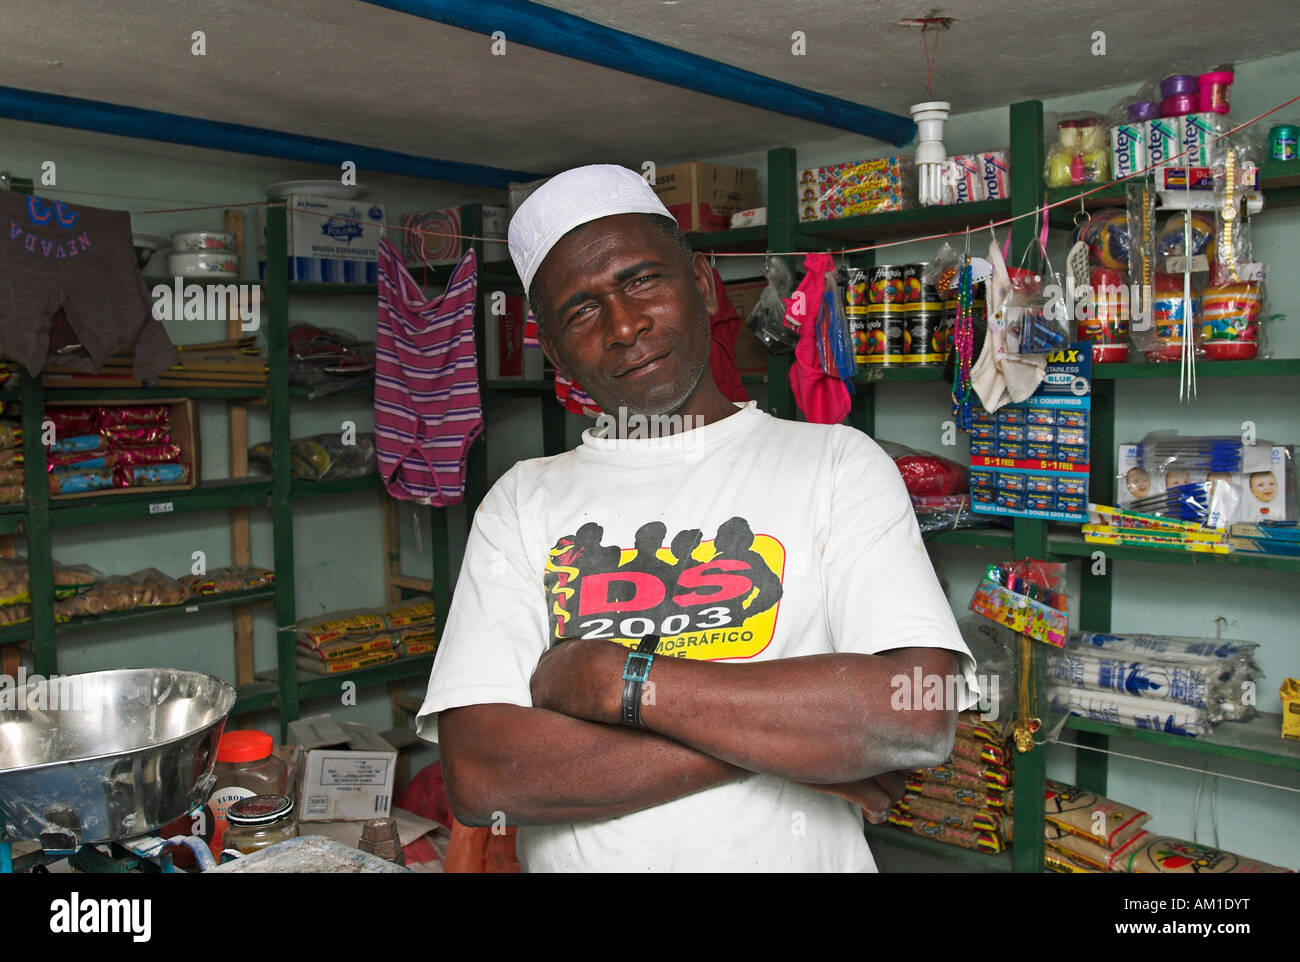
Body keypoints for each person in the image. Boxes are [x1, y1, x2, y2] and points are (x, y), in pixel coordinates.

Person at [416, 165, 979, 872]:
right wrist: (795, 749)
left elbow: (914, 711)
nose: (624, 327)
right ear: (554, 352)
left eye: (641, 280)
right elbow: (485, 777)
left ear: (704, 283)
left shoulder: (836, 465)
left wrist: (613, 679)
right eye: (582, 312)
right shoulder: (521, 504)